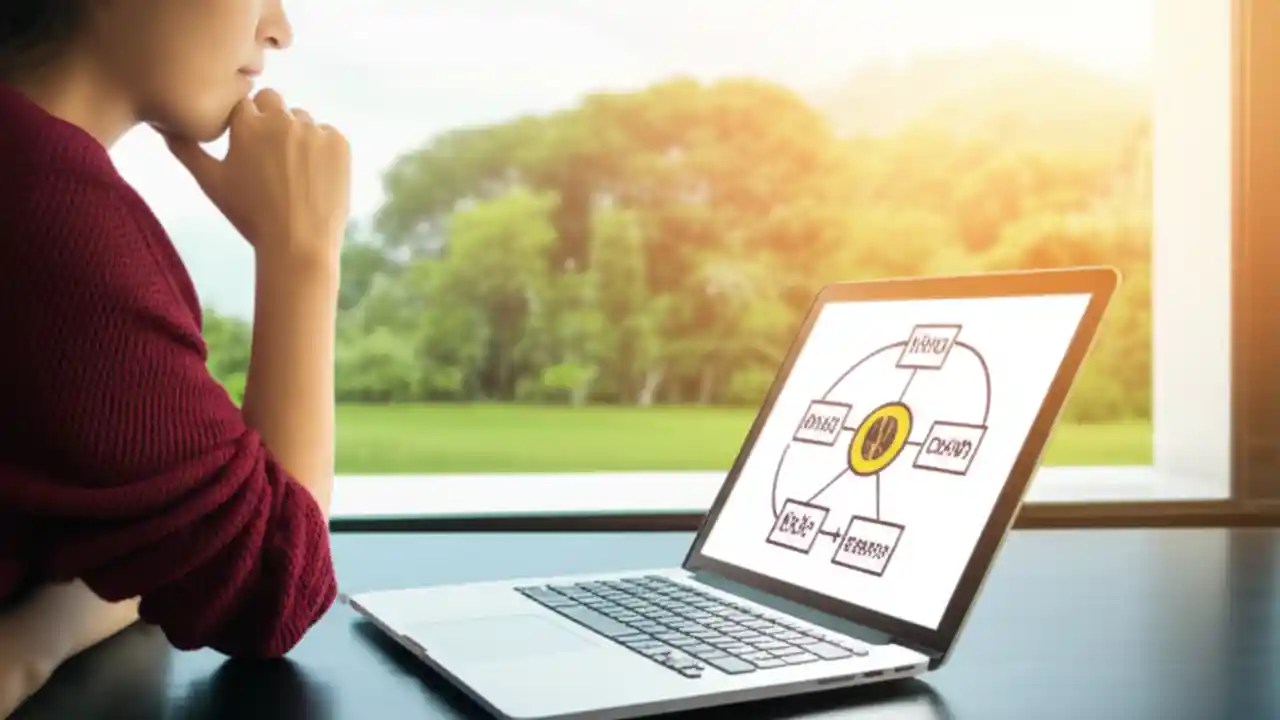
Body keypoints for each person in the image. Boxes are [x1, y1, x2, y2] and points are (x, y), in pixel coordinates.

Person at [0, 0, 350, 713]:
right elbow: (270, 592)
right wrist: (303, 253)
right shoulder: (43, 205)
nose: (279, 29)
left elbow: (153, 554)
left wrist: (32, 643)